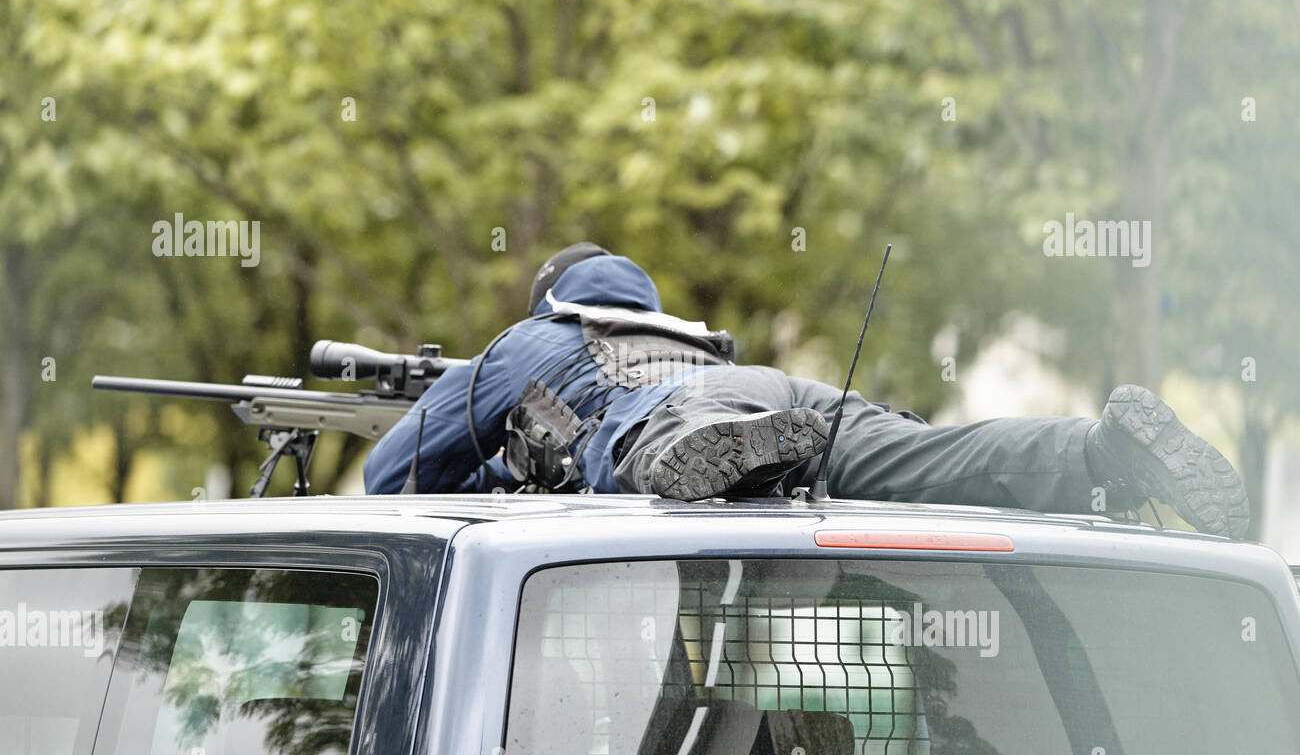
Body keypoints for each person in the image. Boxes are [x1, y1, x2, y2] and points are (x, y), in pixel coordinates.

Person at [364, 243, 1250, 539]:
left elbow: (392, 479)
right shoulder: (693, 336)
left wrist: (504, 480)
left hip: (674, 412)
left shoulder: (535, 342)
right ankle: (1102, 455)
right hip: (772, 389)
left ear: (551, 303)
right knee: (923, 459)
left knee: (667, 449)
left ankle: (703, 465)